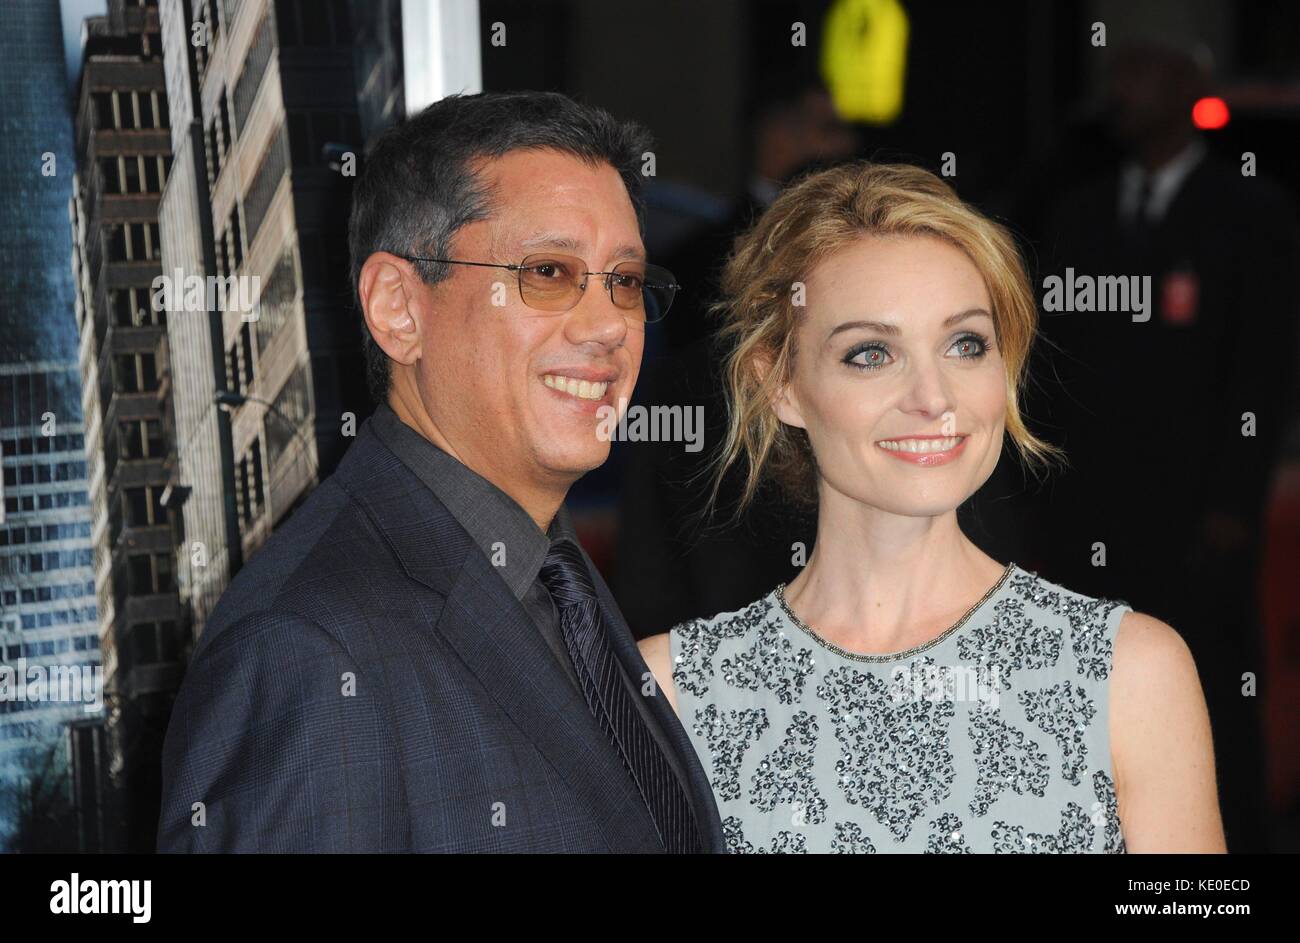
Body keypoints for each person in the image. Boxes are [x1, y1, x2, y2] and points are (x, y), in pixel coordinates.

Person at [157, 91, 724, 853]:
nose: (607, 327)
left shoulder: (555, 576)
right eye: (549, 271)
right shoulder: (307, 650)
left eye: (623, 281)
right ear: (398, 308)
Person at [638, 161, 1226, 853]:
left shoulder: (1130, 672)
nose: (933, 397)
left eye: (965, 344)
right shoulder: (674, 693)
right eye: (871, 353)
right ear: (782, 384)